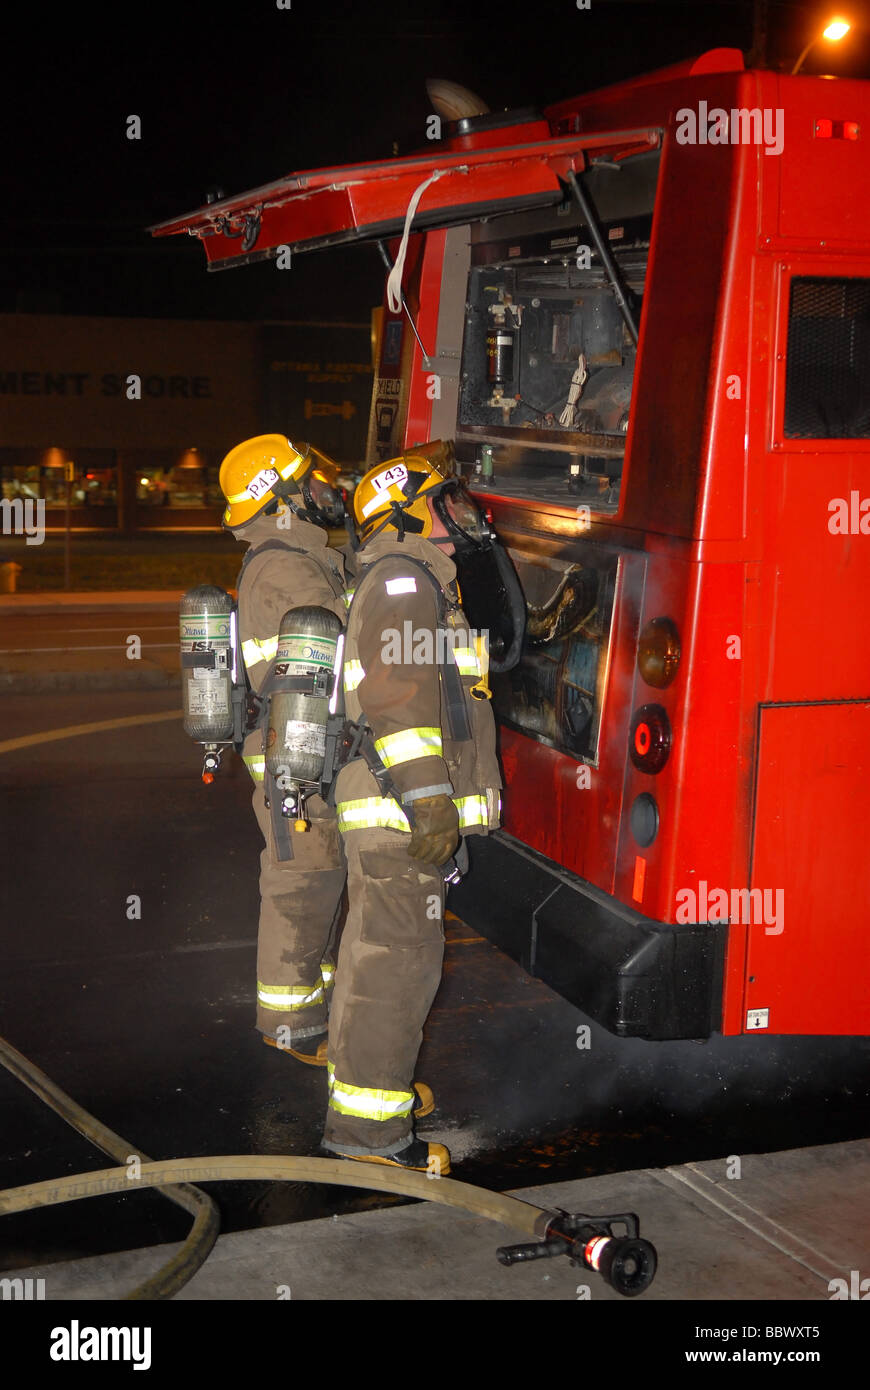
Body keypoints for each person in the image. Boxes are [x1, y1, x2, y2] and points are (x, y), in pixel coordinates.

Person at [323, 443, 502, 1174]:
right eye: (444, 499)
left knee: (378, 967)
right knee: (395, 972)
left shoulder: (413, 580)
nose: (460, 512)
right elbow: (400, 705)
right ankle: (372, 1140)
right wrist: (431, 805)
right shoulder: (403, 581)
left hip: (389, 810)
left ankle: (364, 1113)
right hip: (399, 814)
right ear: (407, 510)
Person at [220, 433, 349, 1065]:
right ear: (280, 501)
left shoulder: (291, 557)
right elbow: (339, 659)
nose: (323, 490)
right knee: (302, 885)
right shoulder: (288, 566)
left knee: (313, 883)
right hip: (299, 758)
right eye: (308, 482)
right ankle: (292, 1026)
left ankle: (308, 1013)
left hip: (296, 753)